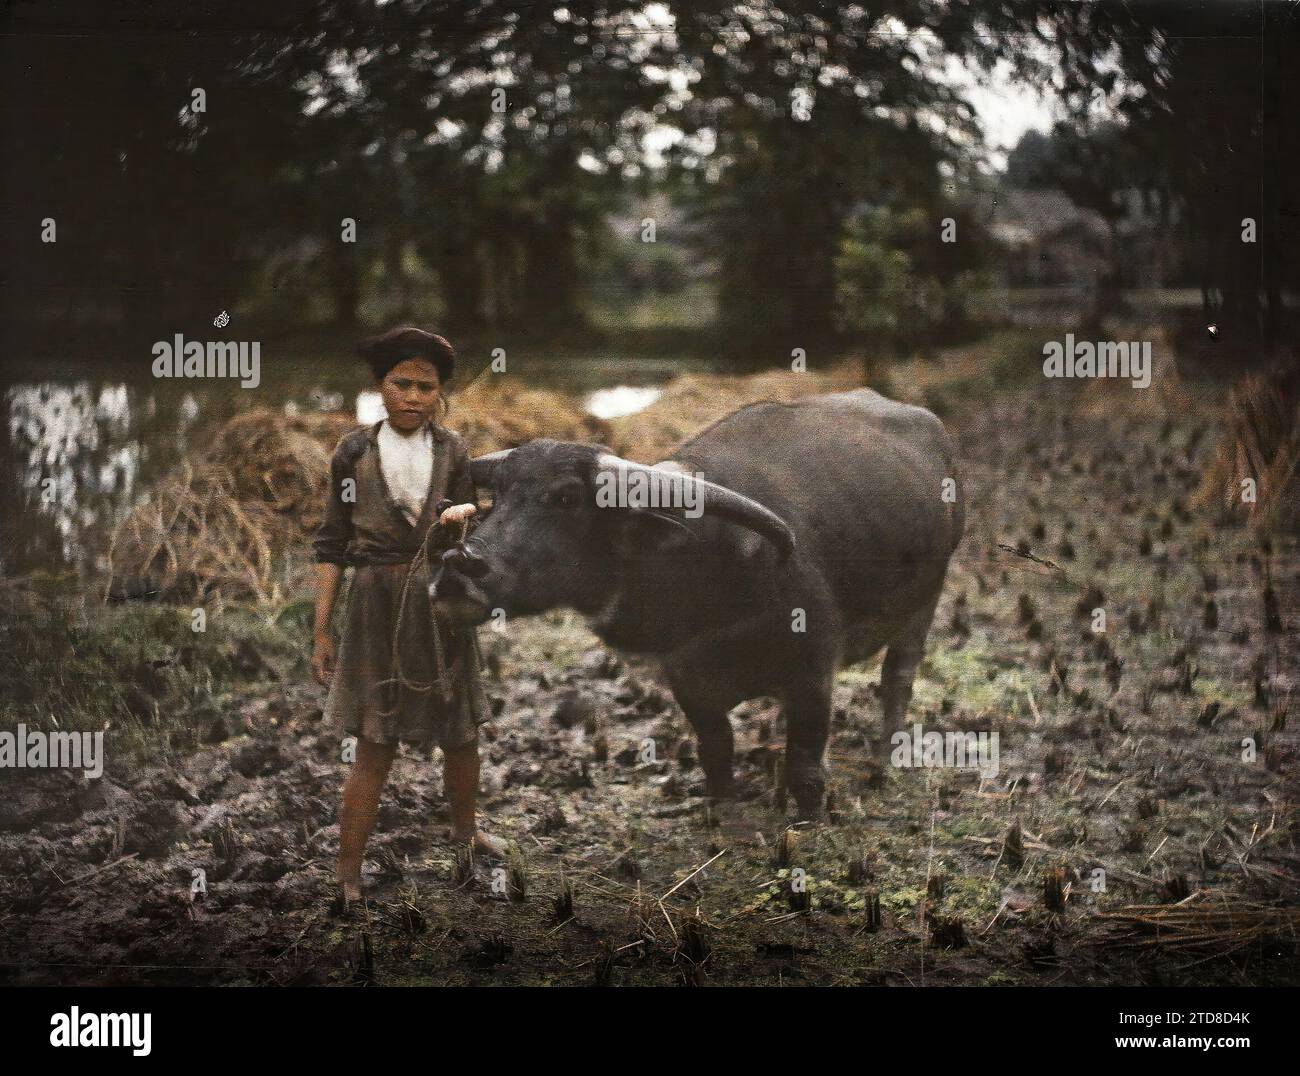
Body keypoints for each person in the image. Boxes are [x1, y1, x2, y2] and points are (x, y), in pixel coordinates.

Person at [311, 326, 505, 910]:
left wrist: (467, 516)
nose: (414, 397)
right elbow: (331, 544)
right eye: (402, 384)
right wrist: (322, 628)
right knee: (375, 742)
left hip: (441, 603)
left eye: (427, 387)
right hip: (374, 607)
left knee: (462, 734)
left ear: (441, 394)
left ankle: (466, 839)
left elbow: (474, 528)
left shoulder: (453, 451)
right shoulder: (353, 452)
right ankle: (347, 870)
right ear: (380, 386)